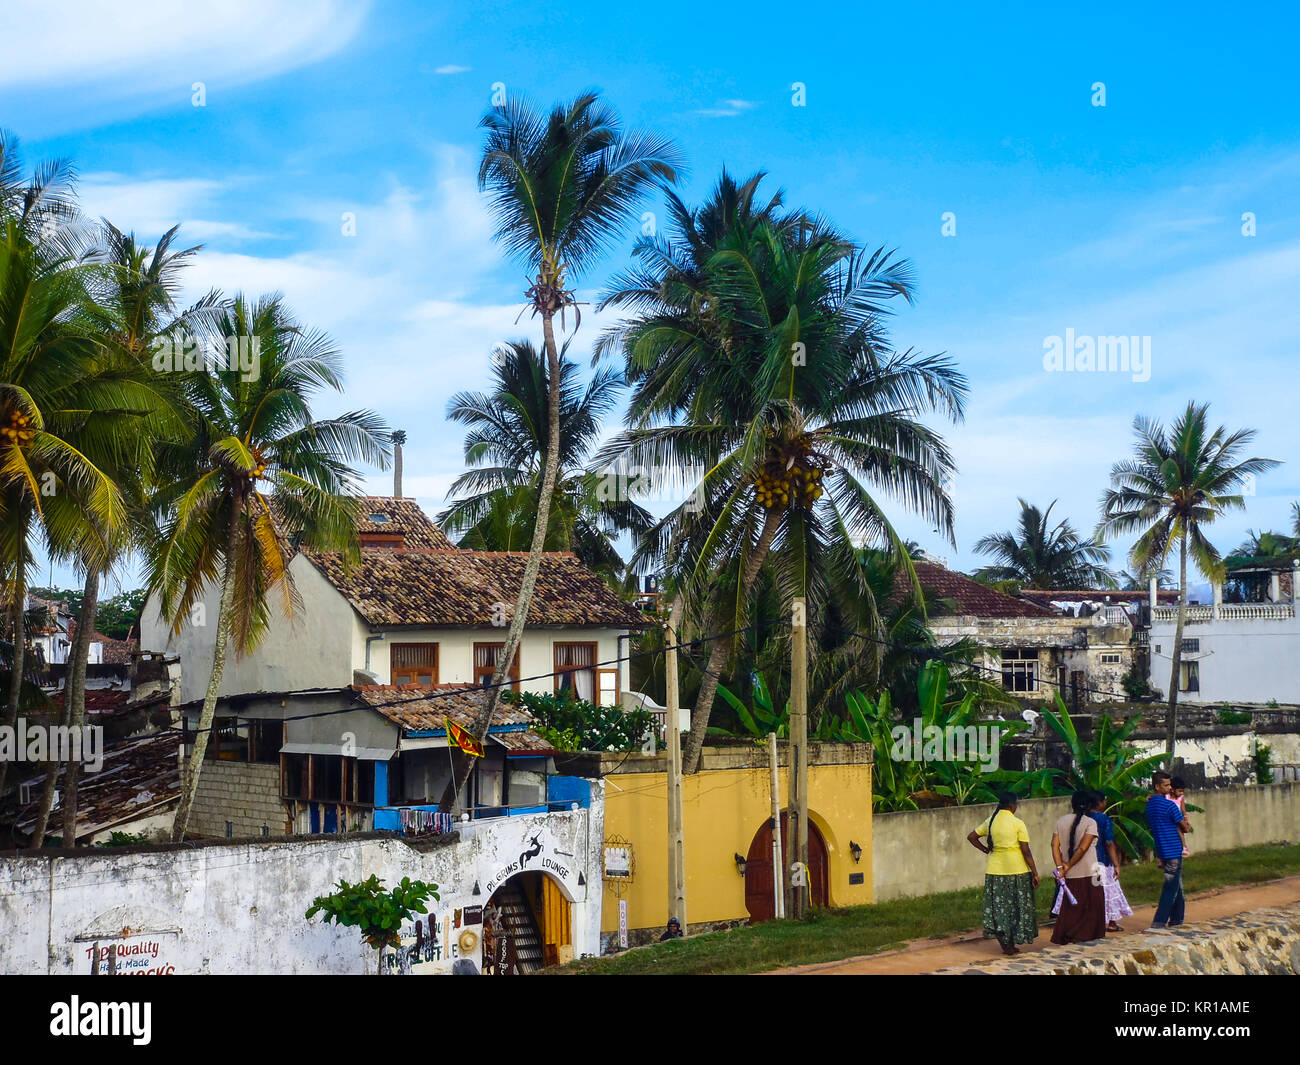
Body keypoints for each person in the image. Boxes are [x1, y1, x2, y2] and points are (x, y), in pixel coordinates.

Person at [967, 791, 1040, 955]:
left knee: (1000, 909)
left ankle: (1005, 943)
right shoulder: (1017, 823)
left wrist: (986, 850)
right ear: (1013, 806)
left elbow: (971, 837)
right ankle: (1012, 941)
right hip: (1017, 870)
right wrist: (1035, 872)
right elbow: (1026, 851)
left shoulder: (990, 821)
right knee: (1017, 906)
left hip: (995, 871)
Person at [1050, 790, 1107, 944]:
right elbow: (1082, 848)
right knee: (1093, 905)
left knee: (1071, 907)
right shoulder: (1090, 823)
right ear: (1089, 805)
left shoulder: (1061, 821)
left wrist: (1061, 867)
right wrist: (1067, 865)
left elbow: (1054, 845)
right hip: (1091, 871)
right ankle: (1084, 935)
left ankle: (1069, 934)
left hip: (1071, 874)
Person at [1147, 770, 1191, 929]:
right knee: (1171, 887)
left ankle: (1177, 920)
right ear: (1158, 787)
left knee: (1176, 885)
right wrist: (1186, 820)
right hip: (1173, 849)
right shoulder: (1170, 806)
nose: (1169, 787)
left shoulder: (1150, 805)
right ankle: (1159, 921)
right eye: (1166, 785)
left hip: (1162, 850)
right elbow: (1185, 828)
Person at [1089, 791, 1133, 931]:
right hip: (1102, 861)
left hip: (1088, 861)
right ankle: (1111, 923)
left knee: (1093, 891)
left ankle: (1094, 922)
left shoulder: (1083, 818)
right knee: (1109, 890)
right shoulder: (1103, 820)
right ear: (1100, 803)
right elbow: (1109, 843)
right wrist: (1116, 864)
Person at [1169, 776, 1192, 857]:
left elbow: (1183, 810)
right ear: (1172, 789)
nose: (1181, 793)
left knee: (1180, 831)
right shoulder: (1167, 797)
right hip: (1169, 819)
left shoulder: (1181, 798)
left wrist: (1186, 820)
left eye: (1182, 791)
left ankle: (1184, 847)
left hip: (1178, 818)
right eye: (1179, 791)